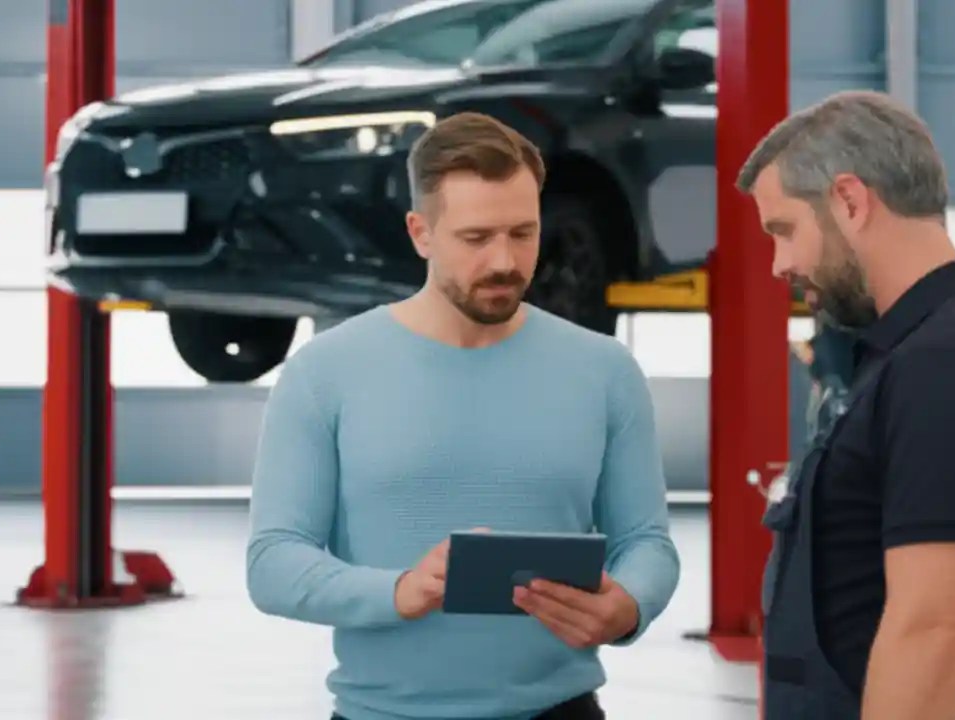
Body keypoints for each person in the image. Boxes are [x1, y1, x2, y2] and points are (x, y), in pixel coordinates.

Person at [245, 111, 681, 720]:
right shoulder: (325, 372)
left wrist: (630, 605)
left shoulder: (605, 370)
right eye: (476, 238)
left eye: (522, 233)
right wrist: (399, 591)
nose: (505, 261)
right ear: (421, 233)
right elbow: (274, 562)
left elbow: (646, 543)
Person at [737, 90, 955, 720]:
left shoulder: (951, 367)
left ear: (848, 201)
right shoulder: (926, 351)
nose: (780, 263)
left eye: (783, 231)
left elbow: (933, 630)